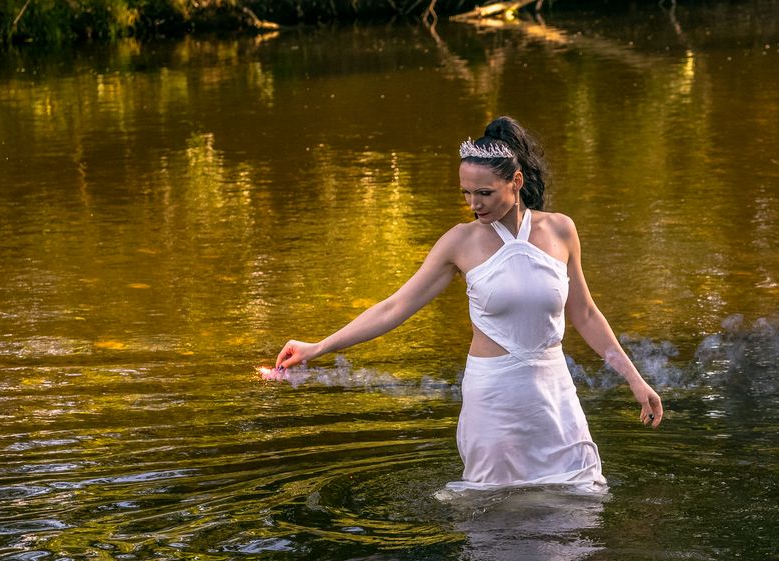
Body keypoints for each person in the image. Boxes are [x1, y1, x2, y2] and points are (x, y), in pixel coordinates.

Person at [273, 116, 663, 492]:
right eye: (466, 193)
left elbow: (587, 314)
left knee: (580, 504)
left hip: (554, 394)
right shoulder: (460, 242)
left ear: (516, 182)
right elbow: (394, 307)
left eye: (484, 193)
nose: (473, 204)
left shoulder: (561, 230)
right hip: (494, 398)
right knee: (496, 519)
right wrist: (319, 346)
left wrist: (634, 378)